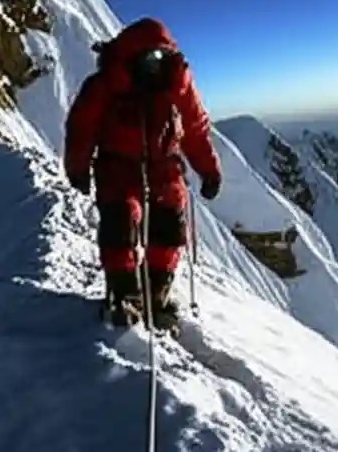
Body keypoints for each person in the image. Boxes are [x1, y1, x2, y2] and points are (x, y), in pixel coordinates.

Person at [64, 17, 223, 329]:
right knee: (120, 225)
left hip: (165, 168)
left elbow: (195, 127)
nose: (155, 64)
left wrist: (209, 170)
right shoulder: (107, 84)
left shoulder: (178, 83)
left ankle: (155, 295)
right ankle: (123, 294)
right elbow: (82, 128)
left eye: (160, 56)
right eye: (149, 56)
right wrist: (78, 167)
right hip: (118, 167)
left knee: (170, 229)